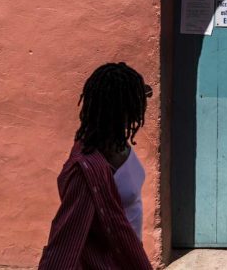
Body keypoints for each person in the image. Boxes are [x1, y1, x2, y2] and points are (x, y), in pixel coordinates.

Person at [38, 62, 153, 269]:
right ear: (119, 110)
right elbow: (66, 238)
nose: (139, 109)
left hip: (126, 255)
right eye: (133, 102)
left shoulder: (117, 143)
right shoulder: (87, 170)